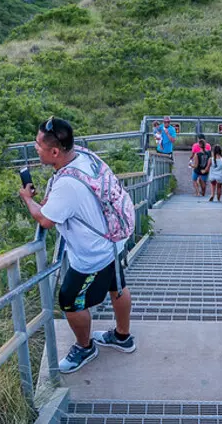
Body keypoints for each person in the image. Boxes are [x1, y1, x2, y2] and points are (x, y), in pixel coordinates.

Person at [19, 116, 135, 374]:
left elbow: (46, 219)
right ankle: (122, 337)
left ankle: (85, 347)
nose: (35, 148)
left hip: (94, 254)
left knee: (69, 299)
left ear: (55, 151)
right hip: (115, 238)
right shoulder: (83, 156)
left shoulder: (68, 186)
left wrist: (27, 198)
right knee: (118, 286)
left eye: (39, 145)